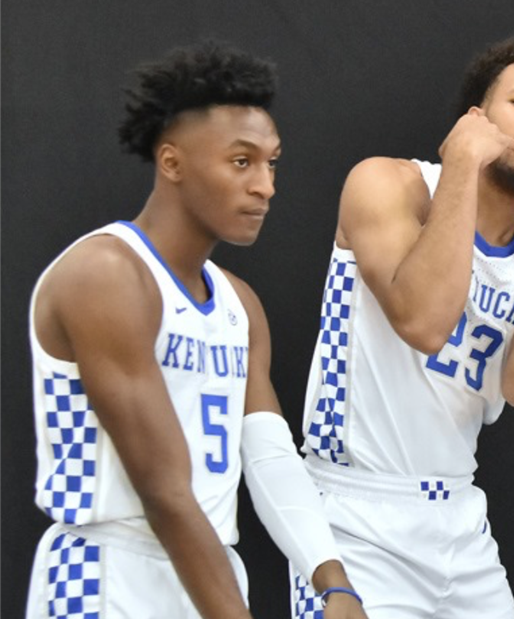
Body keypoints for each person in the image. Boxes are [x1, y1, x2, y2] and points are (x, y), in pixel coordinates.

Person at [24, 41, 366, 618]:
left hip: (208, 573)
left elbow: (269, 458)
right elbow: (164, 491)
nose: (266, 185)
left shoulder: (239, 304)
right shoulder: (106, 274)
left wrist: (333, 583)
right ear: (172, 162)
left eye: (271, 162)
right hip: (106, 573)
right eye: (241, 161)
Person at [292, 29, 514, 617]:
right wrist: (463, 161)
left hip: (460, 521)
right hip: (354, 513)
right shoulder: (390, 184)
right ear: (477, 117)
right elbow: (423, 320)